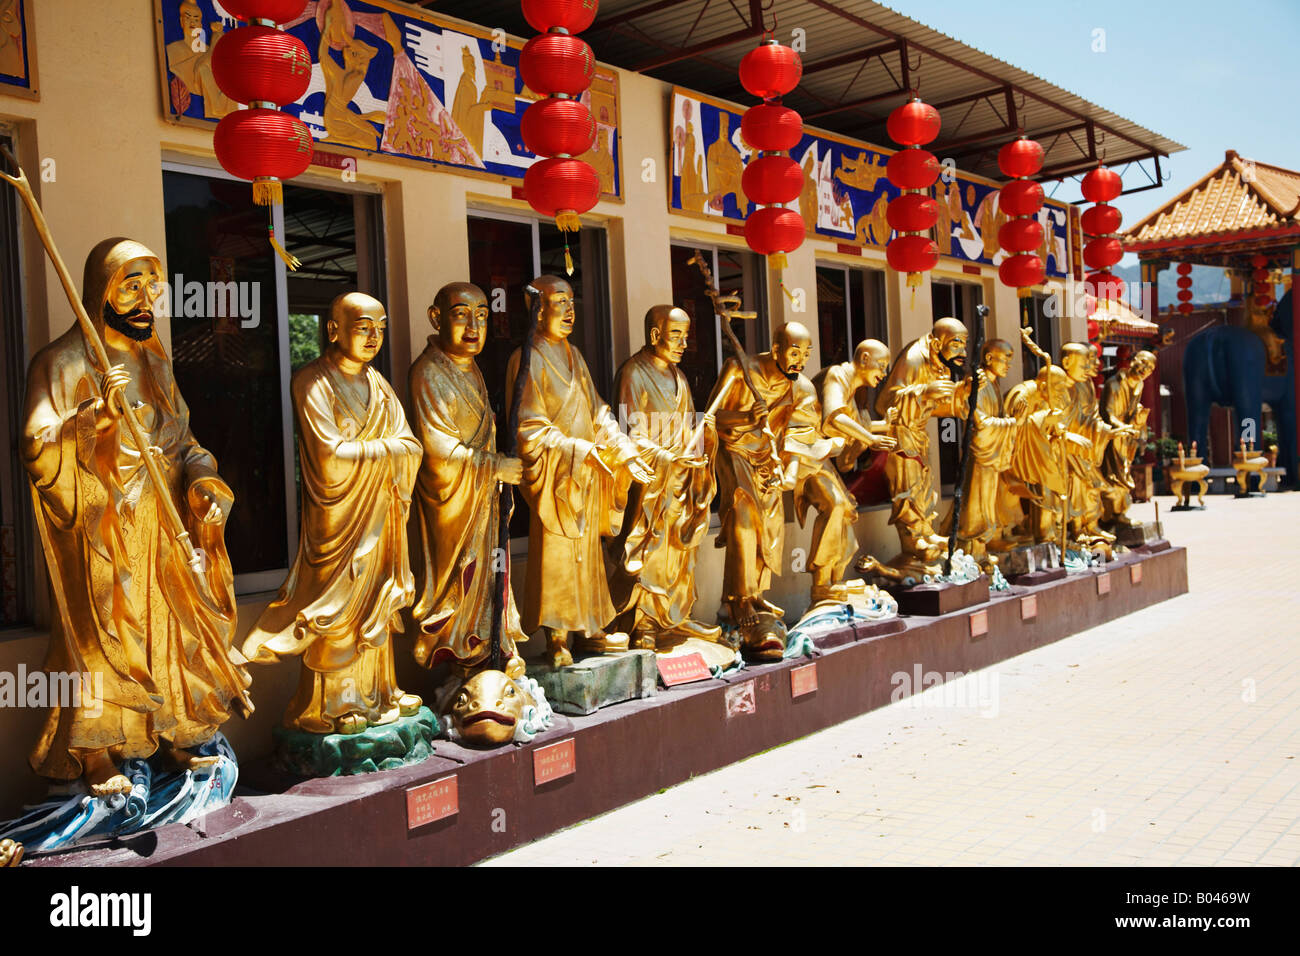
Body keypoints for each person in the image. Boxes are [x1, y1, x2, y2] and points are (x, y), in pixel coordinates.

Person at [21, 237, 251, 796]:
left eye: (153, 284)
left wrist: (202, 485)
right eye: (131, 283)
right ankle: (95, 752)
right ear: (101, 288)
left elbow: (186, 444)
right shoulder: (63, 361)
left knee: (170, 632)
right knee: (103, 636)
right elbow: (35, 445)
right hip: (101, 531)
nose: (146, 296)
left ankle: (173, 731)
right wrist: (90, 422)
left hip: (163, 526)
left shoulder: (155, 363)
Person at [243, 292, 423, 735]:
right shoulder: (312, 382)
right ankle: (333, 702)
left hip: (380, 515)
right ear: (333, 330)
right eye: (363, 327)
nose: (373, 337)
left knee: (378, 599)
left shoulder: (380, 386)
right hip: (338, 519)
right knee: (338, 607)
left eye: (380, 329)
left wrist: (392, 450)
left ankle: (381, 689)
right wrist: (390, 450)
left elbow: (412, 445)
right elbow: (329, 457)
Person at [506, 276, 652, 667]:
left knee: (588, 556)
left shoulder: (574, 355)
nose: (570, 310)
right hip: (557, 476)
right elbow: (527, 426)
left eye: (572, 301)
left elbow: (598, 411)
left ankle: (590, 626)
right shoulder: (527, 358)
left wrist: (622, 447)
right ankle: (557, 637)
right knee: (557, 554)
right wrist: (579, 451)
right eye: (559, 302)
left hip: (586, 474)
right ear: (536, 308)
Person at [408, 282, 528, 676]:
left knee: (492, 570)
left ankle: (491, 644)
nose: (474, 326)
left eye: (481, 316)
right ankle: (462, 653)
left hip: (485, 501)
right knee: (466, 572)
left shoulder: (471, 368)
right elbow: (437, 448)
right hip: (455, 502)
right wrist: (493, 465)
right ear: (436, 317)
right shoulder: (427, 371)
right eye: (461, 315)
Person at [610, 306, 720, 649]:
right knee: (651, 551)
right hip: (652, 485)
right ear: (655, 335)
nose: (684, 344)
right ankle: (642, 621)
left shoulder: (680, 379)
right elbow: (631, 435)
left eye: (687, 336)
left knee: (680, 552)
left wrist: (706, 438)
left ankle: (674, 618)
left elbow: (689, 430)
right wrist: (668, 458)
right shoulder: (633, 373)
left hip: (681, 483)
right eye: (676, 335)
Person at [709, 322, 823, 648]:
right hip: (734, 453)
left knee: (769, 530)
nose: (800, 360)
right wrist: (746, 418)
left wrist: (791, 469)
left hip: (769, 460)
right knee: (744, 520)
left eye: (805, 354)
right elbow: (711, 418)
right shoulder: (740, 369)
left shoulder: (798, 388)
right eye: (793, 351)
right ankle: (738, 598)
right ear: (775, 350)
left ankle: (756, 594)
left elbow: (799, 436)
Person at [800, 340, 898, 601]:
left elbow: (854, 423)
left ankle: (833, 580)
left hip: (821, 458)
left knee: (845, 507)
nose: (884, 373)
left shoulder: (851, 395)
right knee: (834, 505)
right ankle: (821, 586)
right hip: (804, 454)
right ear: (864, 358)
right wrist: (870, 438)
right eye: (881, 365)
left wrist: (883, 427)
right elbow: (834, 417)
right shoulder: (837, 376)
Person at [873, 318, 972, 566]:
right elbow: (885, 403)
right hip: (900, 435)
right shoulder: (916, 357)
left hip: (918, 434)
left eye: (965, 345)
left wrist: (961, 393)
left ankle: (925, 533)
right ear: (937, 343)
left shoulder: (942, 364)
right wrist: (923, 391)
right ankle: (912, 543)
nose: (963, 352)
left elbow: (936, 408)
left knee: (923, 486)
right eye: (957, 344)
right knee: (907, 488)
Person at [1099, 350, 1156, 528]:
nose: (1144, 369)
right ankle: (1111, 514)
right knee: (1114, 476)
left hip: (1127, 438)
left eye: (1150, 369)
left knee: (1124, 472)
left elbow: (1132, 410)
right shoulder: (1114, 384)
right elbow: (1107, 414)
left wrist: (1139, 422)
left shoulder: (1139, 386)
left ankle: (1119, 512)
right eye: (1143, 363)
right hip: (1113, 436)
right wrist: (1125, 428)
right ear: (1132, 361)